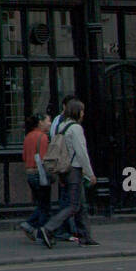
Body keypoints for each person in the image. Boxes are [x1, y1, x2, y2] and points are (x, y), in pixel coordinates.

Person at [40, 99, 98, 248]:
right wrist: (90, 173)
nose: (84, 113)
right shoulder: (76, 128)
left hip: (64, 170)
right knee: (73, 205)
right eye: (82, 110)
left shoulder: (62, 126)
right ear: (77, 111)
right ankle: (49, 228)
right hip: (74, 170)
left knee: (80, 204)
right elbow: (81, 153)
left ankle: (85, 236)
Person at [18, 114, 51, 241]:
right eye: (48, 120)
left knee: (41, 203)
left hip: (30, 173)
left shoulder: (28, 137)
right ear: (40, 122)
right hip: (40, 173)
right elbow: (44, 159)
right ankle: (38, 230)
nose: (50, 123)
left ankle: (31, 225)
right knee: (45, 206)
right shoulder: (43, 137)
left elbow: (24, 157)